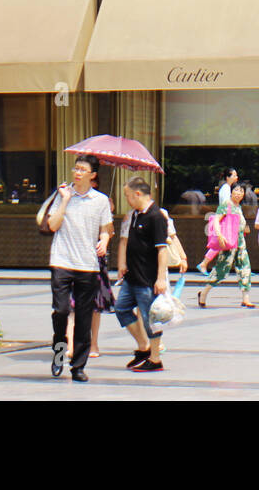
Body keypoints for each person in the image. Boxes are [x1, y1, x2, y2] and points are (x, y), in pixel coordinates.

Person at [46, 155, 113, 382]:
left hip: (88, 264)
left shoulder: (101, 200)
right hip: (62, 261)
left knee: (85, 316)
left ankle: (78, 366)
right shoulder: (62, 194)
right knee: (61, 310)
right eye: (76, 168)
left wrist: (104, 241)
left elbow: (107, 229)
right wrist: (64, 200)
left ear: (93, 174)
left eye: (83, 169)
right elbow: (52, 225)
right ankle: (59, 348)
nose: (78, 172)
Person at [115, 177, 170, 373]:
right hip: (132, 276)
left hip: (147, 278)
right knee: (121, 308)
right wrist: (123, 264)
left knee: (149, 319)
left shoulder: (156, 217)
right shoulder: (135, 215)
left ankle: (155, 359)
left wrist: (160, 278)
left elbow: (162, 249)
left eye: (128, 196)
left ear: (138, 194)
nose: (127, 200)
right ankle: (144, 347)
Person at [197, 183, 255, 308]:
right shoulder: (226, 204)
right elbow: (216, 221)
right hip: (228, 242)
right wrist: (219, 235)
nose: (238, 193)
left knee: (245, 267)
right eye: (236, 190)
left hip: (240, 242)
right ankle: (203, 293)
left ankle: (246, 298)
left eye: (241, 191)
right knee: (222, 269)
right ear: (231, 192)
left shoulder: (238, 207)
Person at [197, 168, 240, 274]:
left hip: (226, 218)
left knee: (234, 243)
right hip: (225, 218)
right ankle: (204, 263)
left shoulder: (226, 188)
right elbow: (226, 205)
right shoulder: (226, 189)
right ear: (227, 177)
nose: (236, 177)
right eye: (234, 175)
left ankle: (242, 268)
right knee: (222, 243)